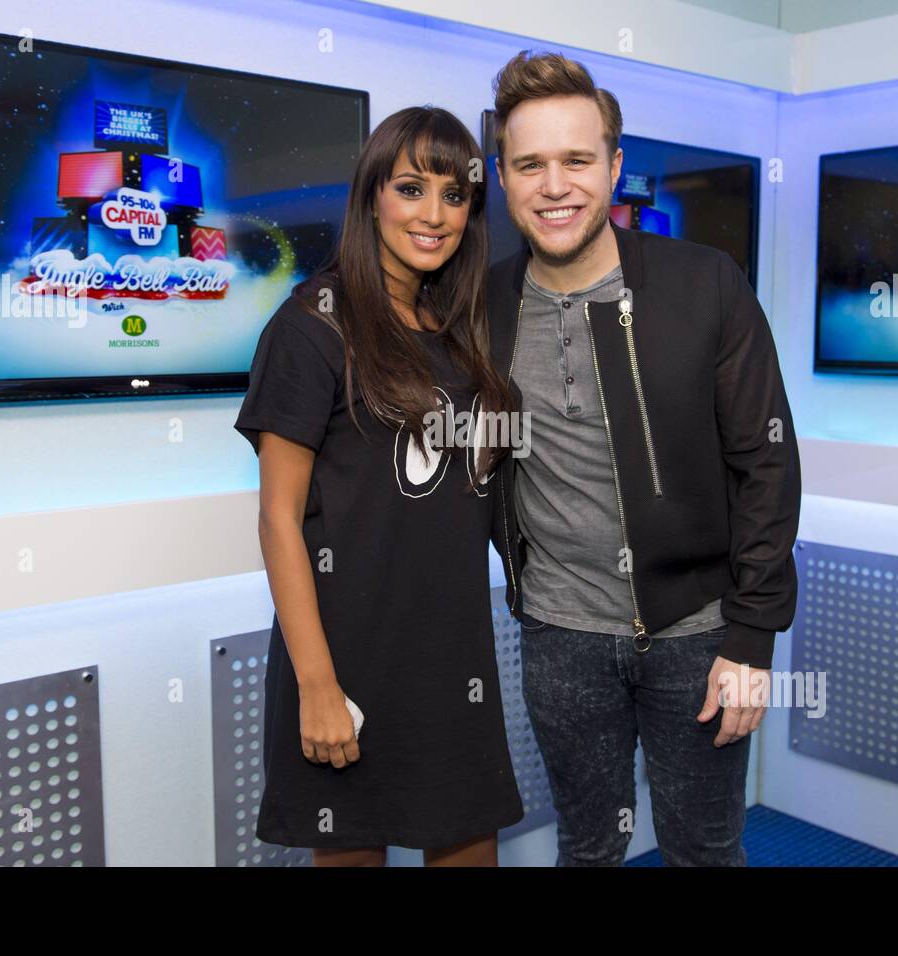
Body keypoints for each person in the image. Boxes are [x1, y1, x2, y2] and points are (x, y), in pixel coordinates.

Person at [486, 51, 802, 866]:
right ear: (505, 176)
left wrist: (754, 639)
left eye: (576, 160)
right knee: (589, 850)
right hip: (559, 635)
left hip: (701, 635)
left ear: (615, 166)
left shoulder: (706, 284)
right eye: (531, 164)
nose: (554, 185)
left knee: (703, 851)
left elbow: (766, 466)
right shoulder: (481, 304)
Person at [233, 106, 524, 866]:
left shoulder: (457, 331)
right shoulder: (311, 326)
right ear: (371, 198)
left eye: (454, 195)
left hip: (451, 660)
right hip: (346, 658)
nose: (434, 214)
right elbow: (277, 521)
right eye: (410, 188)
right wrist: (317, 684)